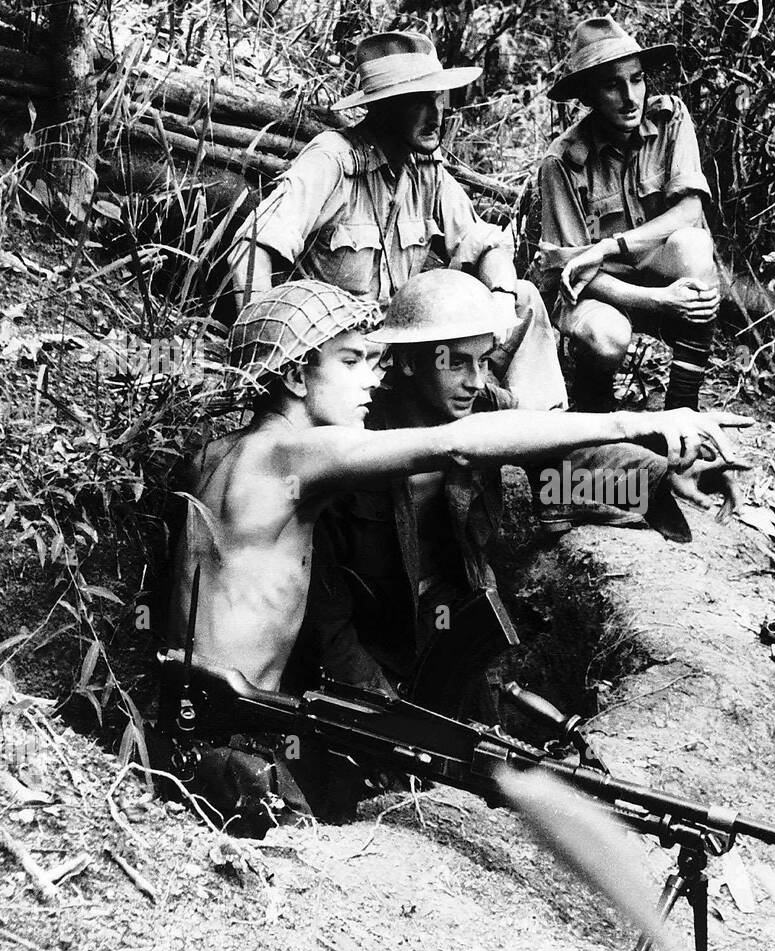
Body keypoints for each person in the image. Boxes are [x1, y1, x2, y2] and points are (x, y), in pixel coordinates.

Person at [287, 270, 746, 699]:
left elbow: (561, 468)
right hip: (369, 634)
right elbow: (325, 611)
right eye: (457, 363)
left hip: (453, 616)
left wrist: (664, 473)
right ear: (407, 361)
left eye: (484, 361)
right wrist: (373, 700)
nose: (475, 380)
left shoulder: (487, 406)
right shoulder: (352, 441)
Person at [226, 30, 566, 414]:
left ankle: (546, 441)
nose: (435, 114)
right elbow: (251, 249)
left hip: (409, 351)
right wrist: (266, 364)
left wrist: (501, 297)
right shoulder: (334, 161)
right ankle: (490, 417)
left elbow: (482, 241)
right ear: (382, 106)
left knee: (523, 298)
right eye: (417, 101)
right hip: (353, 360)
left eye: (436, 98)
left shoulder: (426, 170)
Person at [534, 17, 721, 414]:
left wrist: (608, 246)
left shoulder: (671, 120)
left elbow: (690, 210)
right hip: (600, 291)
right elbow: (575, 272)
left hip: (656, 270)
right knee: (606, 336)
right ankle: (594, 406)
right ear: (588, 96)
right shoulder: (562, 162)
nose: (630, 97)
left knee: (694, 245)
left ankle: (682, 408)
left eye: (636, 79)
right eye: (611, 85)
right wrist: (657, 301)